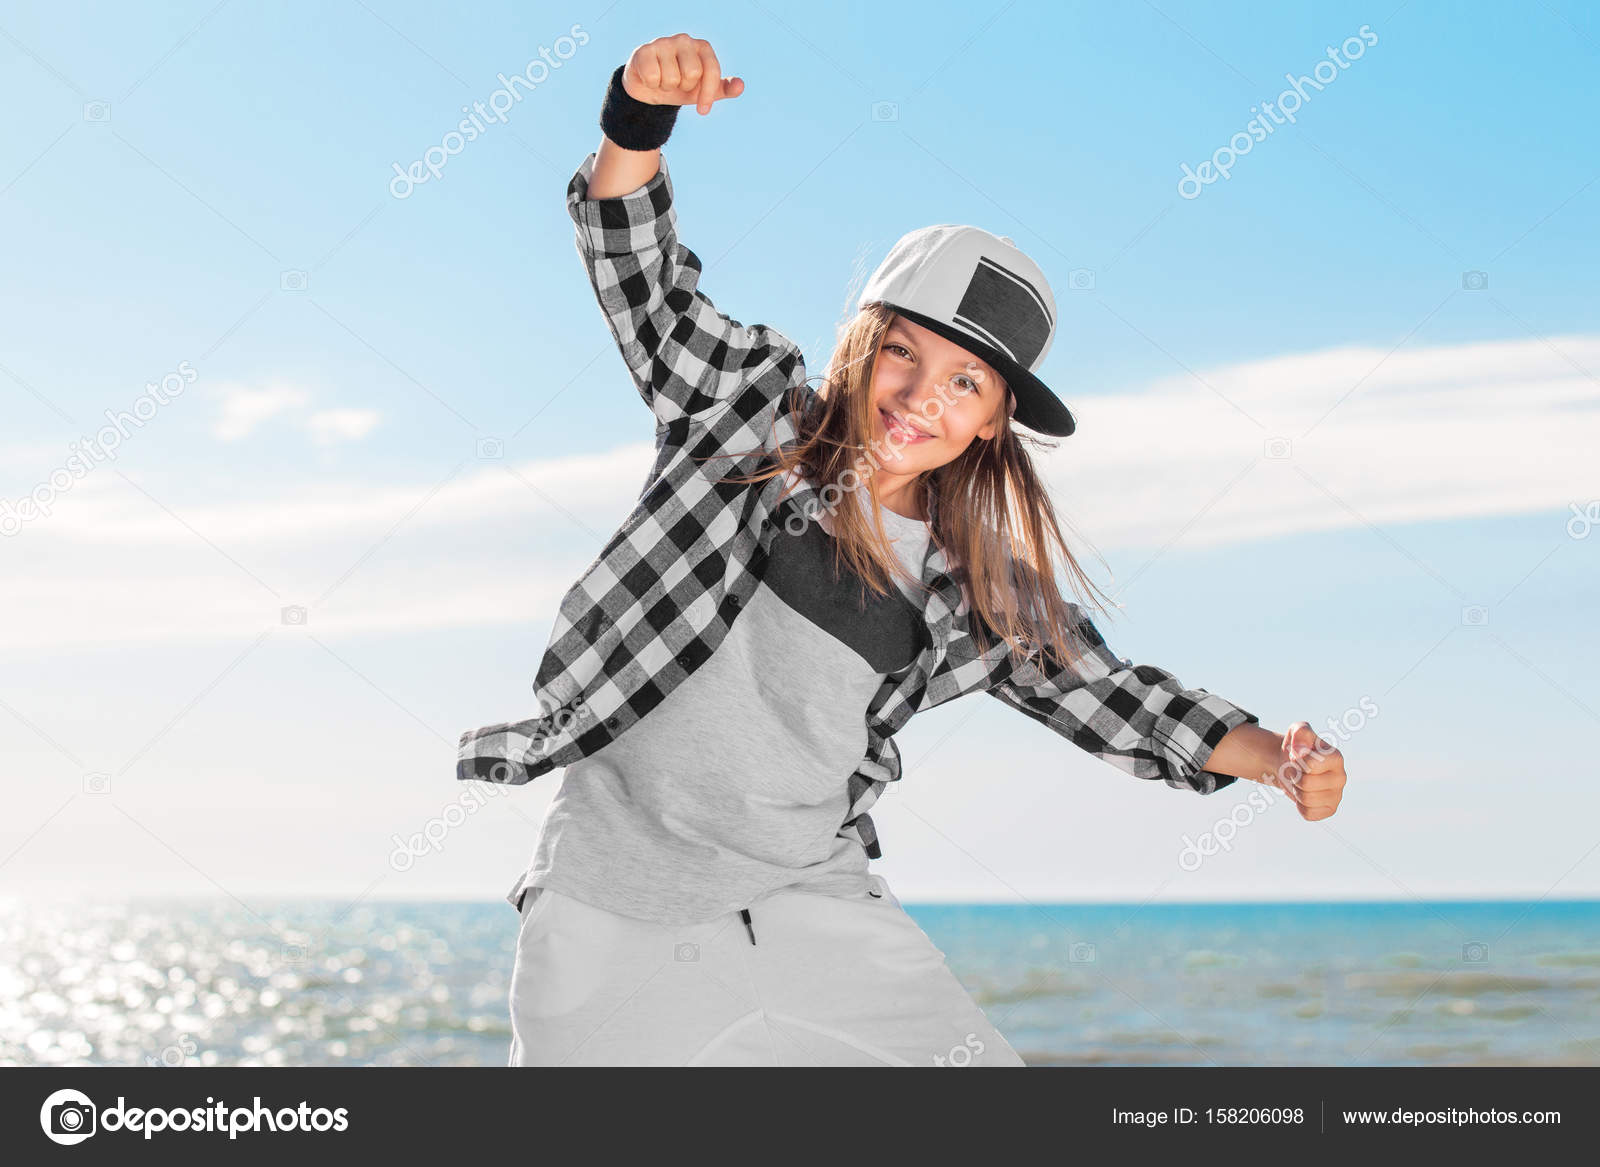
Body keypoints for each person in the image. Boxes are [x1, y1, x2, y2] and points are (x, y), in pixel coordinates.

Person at [456, 33, 1349, 1067]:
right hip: (612, 899)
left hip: (810, 900)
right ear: (860, 345)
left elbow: (1113, 695)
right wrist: (636, 119)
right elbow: (642, 281)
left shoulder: (970, 586)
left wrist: (1275, 760)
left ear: (991, 424)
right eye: (904, 353)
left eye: (967, 384)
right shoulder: (742, 414)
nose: (926, 396)